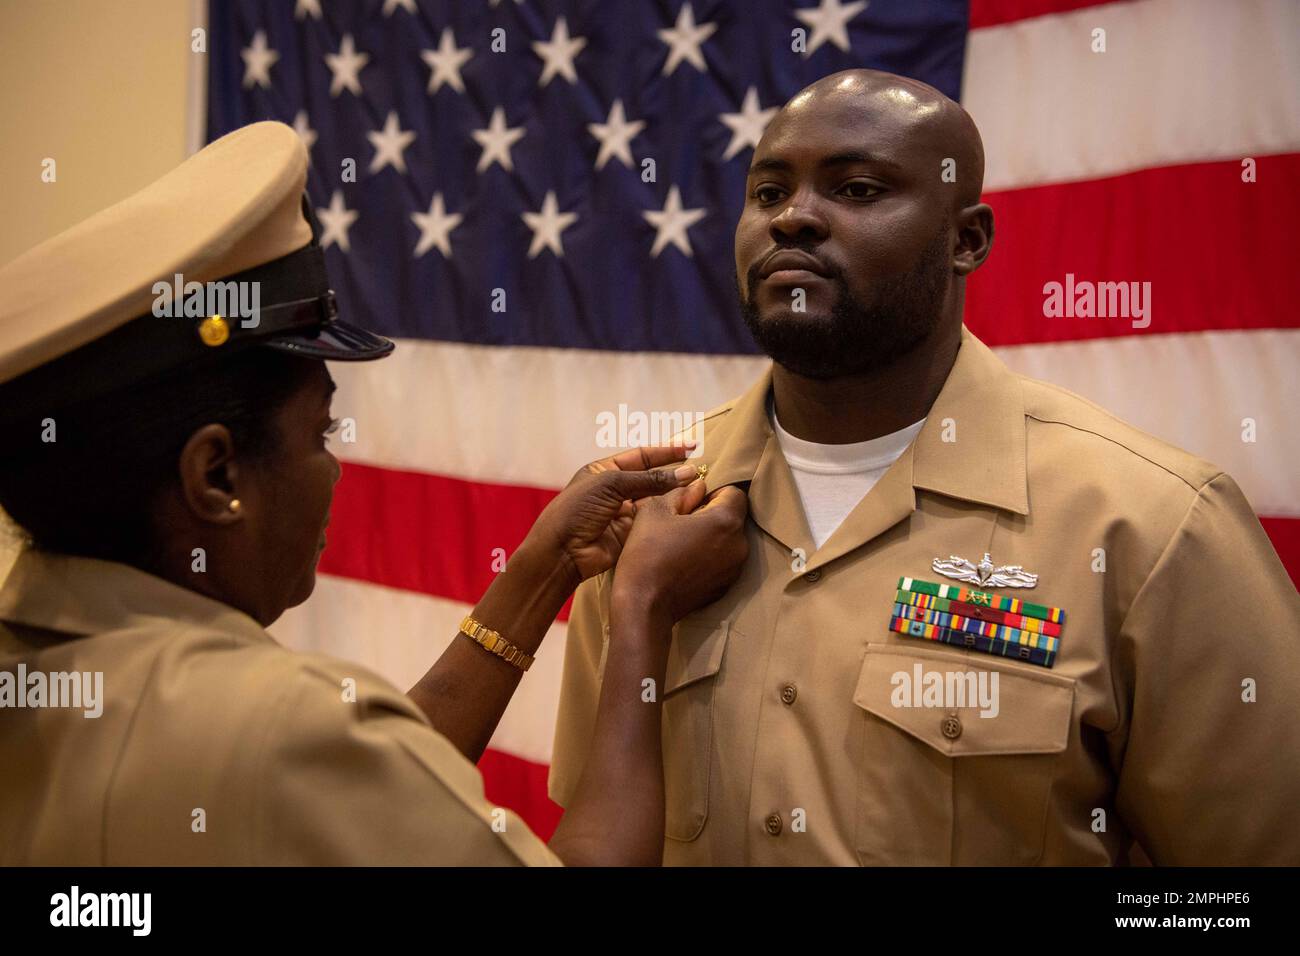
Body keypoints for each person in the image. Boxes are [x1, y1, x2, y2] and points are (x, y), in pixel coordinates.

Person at [549, 69, 1300, 865]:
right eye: (769, 192)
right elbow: (598, 826)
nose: (794, 219)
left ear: (965, 240)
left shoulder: (1150, 522)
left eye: (859, 189)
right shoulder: (653, 509)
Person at [0, 121, 749, 866]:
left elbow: (365, 811)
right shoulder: (275, 728)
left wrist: (544, 566)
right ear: (217, 476)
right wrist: (643, 607)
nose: (335, 469)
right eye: (321, 434)